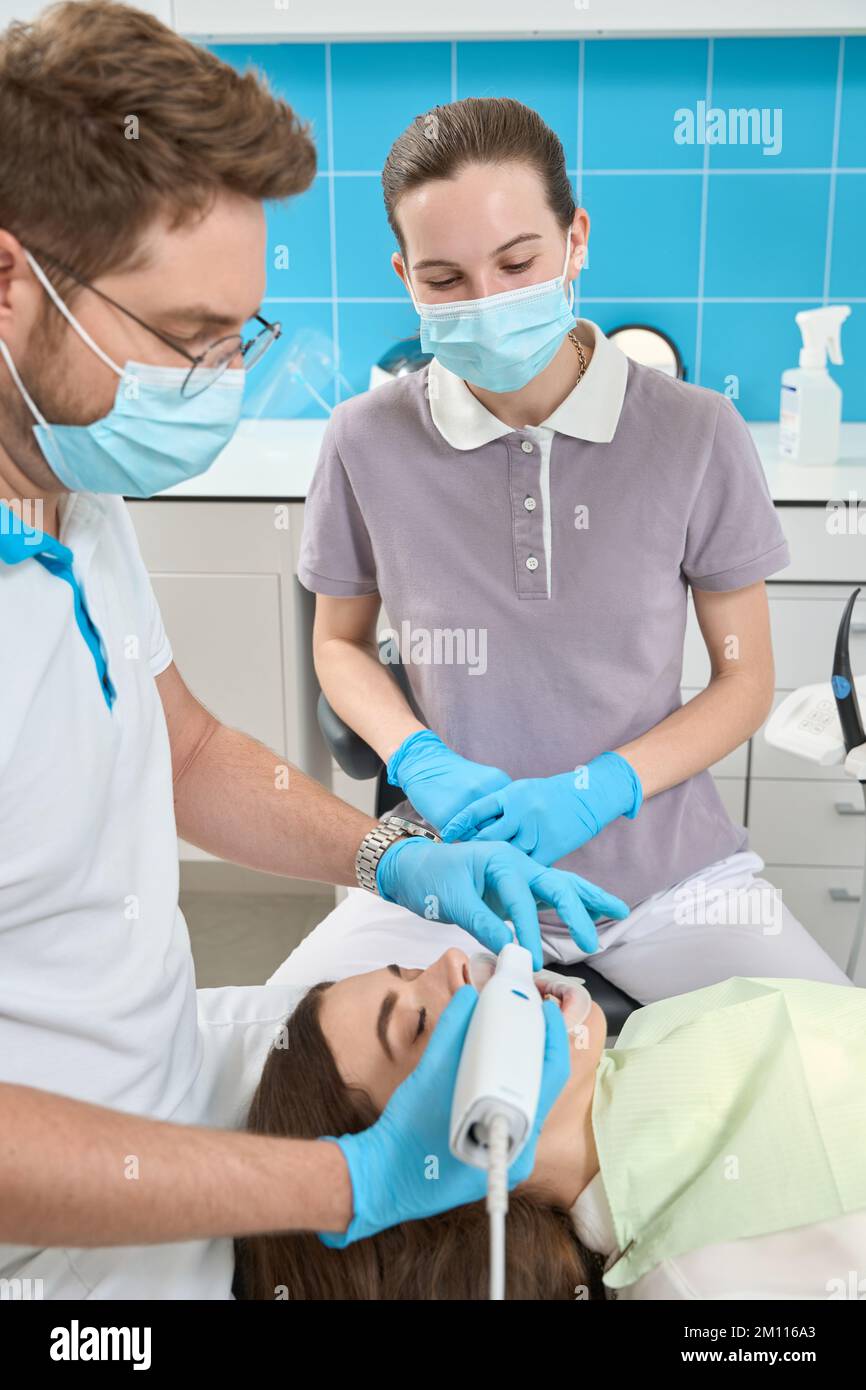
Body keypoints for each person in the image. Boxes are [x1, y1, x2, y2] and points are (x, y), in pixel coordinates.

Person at [0, 2, 623, 1299]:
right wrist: (347, 1184)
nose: (217, 379)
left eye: (243, 333)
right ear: (14, 281)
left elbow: (177, 744)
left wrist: (397, 851)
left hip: (179, 1104)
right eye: (185, 337)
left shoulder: (66, 485)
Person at [296, 94, 850, 1000]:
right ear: (403, 275)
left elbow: (744, 679)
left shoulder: (694, 432)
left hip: (669, 879)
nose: (488, 301)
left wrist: (601, 788)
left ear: (575, 240)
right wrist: (420, 761)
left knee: (838, 1083)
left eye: (518, 262)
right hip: (448, 874)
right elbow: (338, 643)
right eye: (444, 280)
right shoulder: (365, 438)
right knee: (274, 1081)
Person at [237, 950, 866, 1300]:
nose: (452, 959)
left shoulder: (646, 1040)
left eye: (409, 968)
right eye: (418, 1024)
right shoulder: (696, 1280)